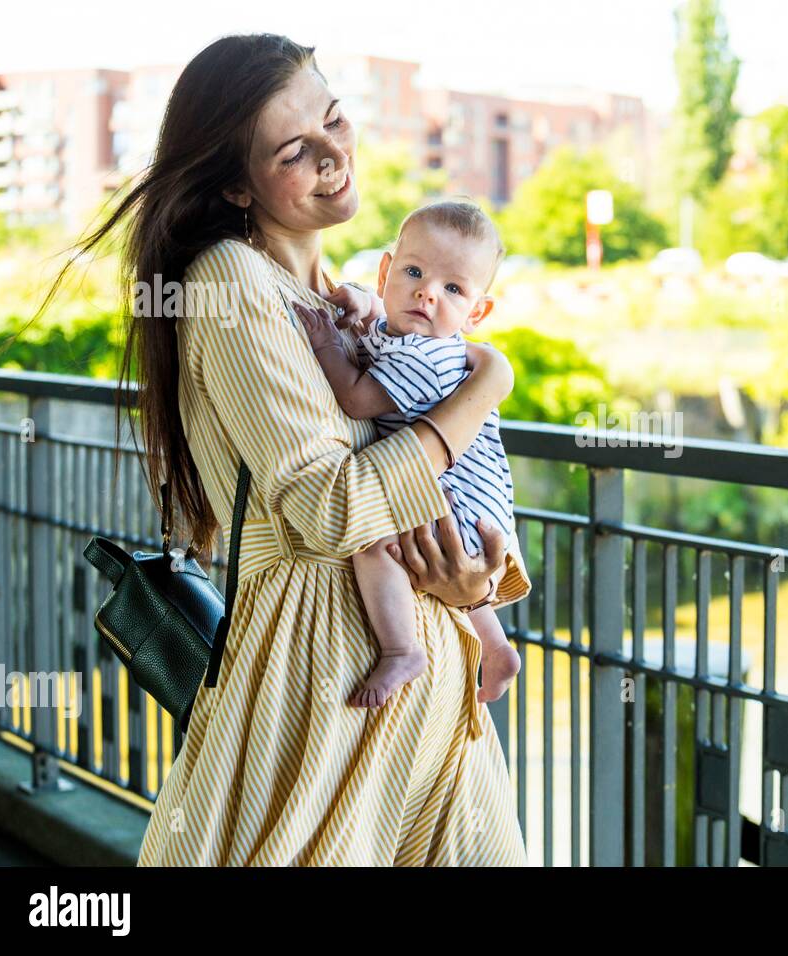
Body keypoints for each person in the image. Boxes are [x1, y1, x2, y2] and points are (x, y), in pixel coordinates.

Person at [49, 33, 531, 865]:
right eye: (294, 150)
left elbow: (420, 492)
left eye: (335, 122)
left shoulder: (344, 293)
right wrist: (485, 388)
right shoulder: (229, 281)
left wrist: (470, 587)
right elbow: (330, 504)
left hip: (418, 700)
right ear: (236, 182)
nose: (333, 155)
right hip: (325, 681)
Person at [295, 199, 522, 709]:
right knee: (434, 555)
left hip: (459, 500)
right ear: (385, 271)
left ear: (476, 312)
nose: (427, 293)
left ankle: (402, 649)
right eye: (414, 272)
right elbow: (375, 332)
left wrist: (326, 341)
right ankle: (495, 645)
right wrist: (358, 306)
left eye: (453, 289)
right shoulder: (401, 335)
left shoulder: (430, 355)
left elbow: (356, 397)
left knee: (371, 539)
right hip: (476, 499)